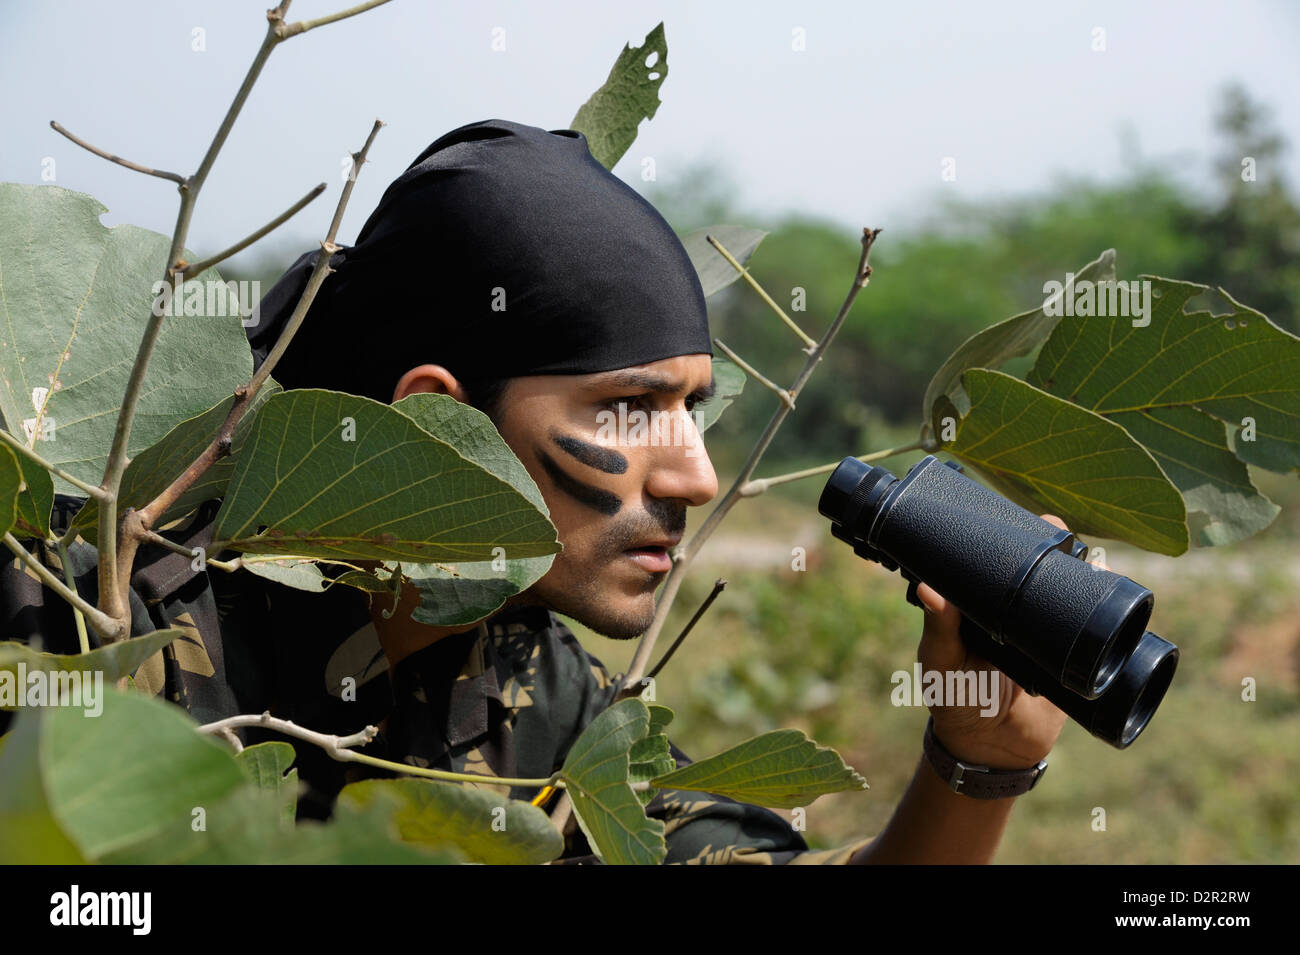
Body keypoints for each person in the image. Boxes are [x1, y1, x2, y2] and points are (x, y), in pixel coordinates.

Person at [2, 119, 1069, 864]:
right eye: (626, 409)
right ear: (439, 422)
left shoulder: (531, 686)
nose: (696, 472)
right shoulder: (81, 611)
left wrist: (976, 762)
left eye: (691, 408)